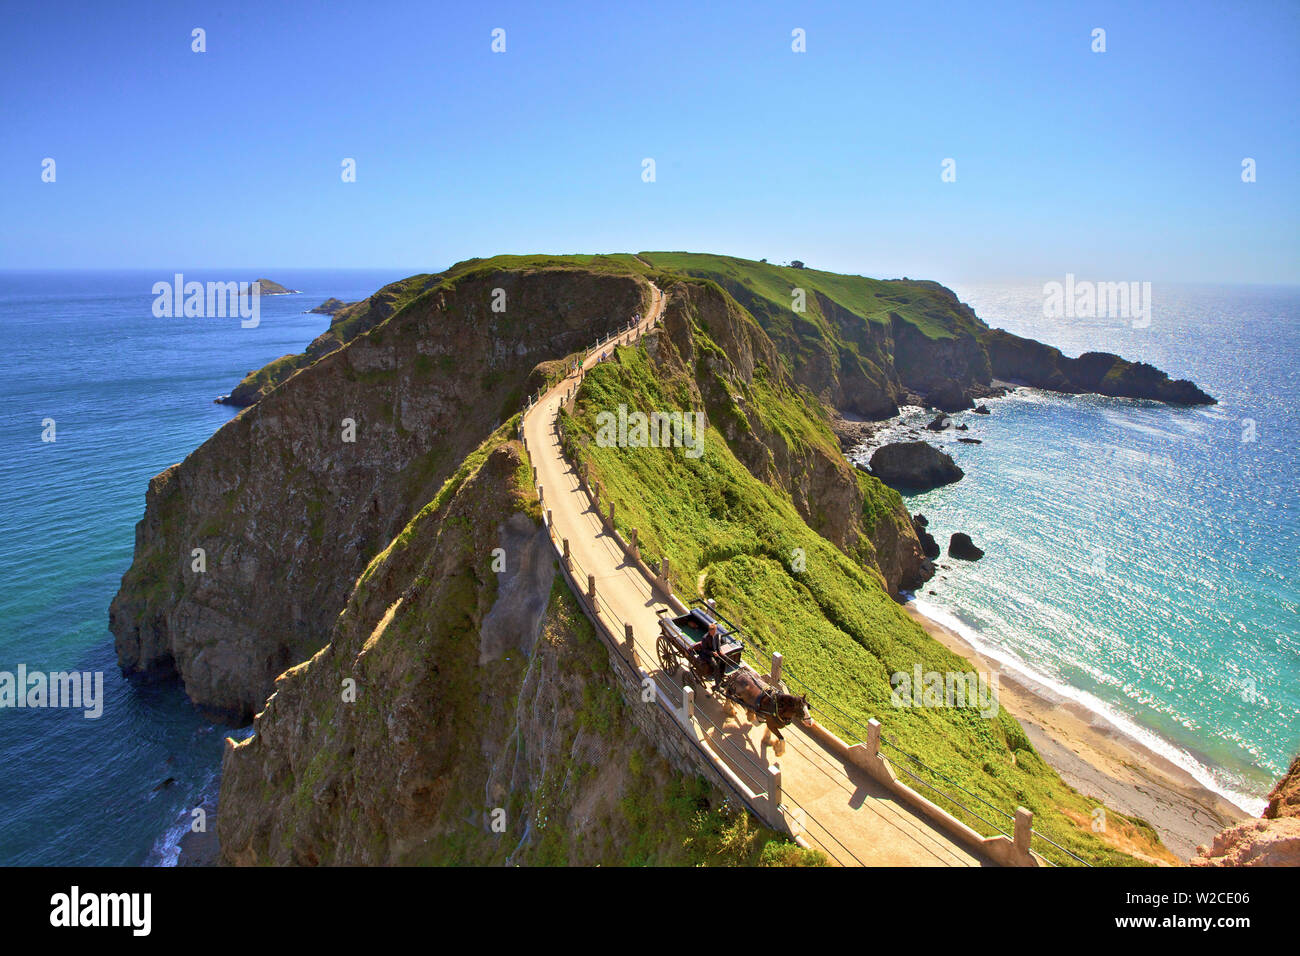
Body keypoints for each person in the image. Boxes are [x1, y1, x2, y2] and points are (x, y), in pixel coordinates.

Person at [691, 622, 726, 690]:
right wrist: (712, 653)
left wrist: (719, 651)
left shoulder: (717, 635)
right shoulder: (705, 638)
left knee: (724, 659)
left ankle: (721, 675)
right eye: (713, 631)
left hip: (715, 652)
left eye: (715, 631)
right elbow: (704, 650)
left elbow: (718, 644)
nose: (714, 633)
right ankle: (717, 685)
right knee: (715, 665)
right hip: (706, 655)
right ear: (709, 631)